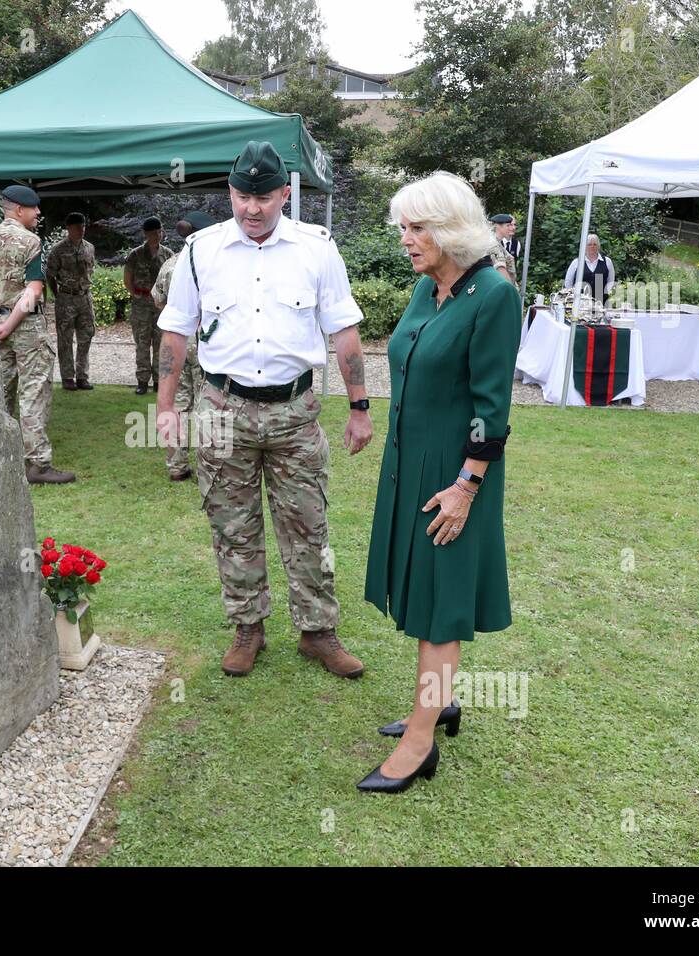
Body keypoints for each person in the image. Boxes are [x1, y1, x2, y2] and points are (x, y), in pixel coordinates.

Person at [156, 140, 374, 680]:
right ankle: (248, 627)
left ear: (284, 194)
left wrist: (360, 408)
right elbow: (175, 330)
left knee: (308, 524)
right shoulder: (201, 251)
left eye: (263, 198)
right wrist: (166, 408)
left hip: (294, 413)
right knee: (233, 525)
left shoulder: (317, 249)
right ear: (230, 192)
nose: (252, 209)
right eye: (240, 196)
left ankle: (318, 632)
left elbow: (343, 331)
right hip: (222, 407)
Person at [359, 171, 520, 794]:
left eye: (417, 226)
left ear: (453, 229)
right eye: (402, 226)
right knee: (424, 597)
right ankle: (439, 702)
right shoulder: (430, 289)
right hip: (409, 467)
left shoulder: (492, 295)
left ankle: (421, 742)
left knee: (440, 612)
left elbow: (491, 406)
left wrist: (465, 487)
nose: (406, 238)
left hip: (454, 477)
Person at [0, 184, 75, 484]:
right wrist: (12, 322)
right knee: (33, 391)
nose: (39, 213)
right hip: (26, 325)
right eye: (35, 208)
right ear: (19, 210)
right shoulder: (31, 242)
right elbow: (33, 290)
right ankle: (38, 465)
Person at [151, 210, 216, 481]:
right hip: (206, 340)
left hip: (177, 340)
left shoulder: (170, 264)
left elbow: (157, 300)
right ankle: (209, 465)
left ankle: (177, 465)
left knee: (177, 404)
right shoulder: (213, 262)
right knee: (208, 403)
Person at [123, 217, 174, 394]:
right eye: (153, 233)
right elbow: (127, 278)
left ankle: (159, 382)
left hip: (160, 306)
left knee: (161, 343)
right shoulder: (136, 254)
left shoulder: (168, 254)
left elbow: (173, 279)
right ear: (146, 234)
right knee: (142, 343)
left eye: (159, 232)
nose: (157, 236)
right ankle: (142, 381)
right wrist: (136, 294)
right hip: (141, 304)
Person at [46, 212, 97, 391]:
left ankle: (82, 376)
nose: (81, 230)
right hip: (66, 298)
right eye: (77, 227)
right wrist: (58, 294)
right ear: (68, 228)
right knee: (65, 339)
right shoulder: (58, 249)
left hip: (85, 298)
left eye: (83, 226)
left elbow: (91, 271)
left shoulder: (89, 248)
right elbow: (50, 274)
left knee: (86, 336)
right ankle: (68, 377)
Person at [564, 234, 615, 303]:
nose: (592, 247)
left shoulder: (607, 261)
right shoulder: (577, 262)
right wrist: (572, 296)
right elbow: (568, 282)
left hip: (600, 302)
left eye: (595, 244)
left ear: (598, 246)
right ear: (585, 246)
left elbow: (611, 281)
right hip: (579, 303)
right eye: (589, 244)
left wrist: (605, 293)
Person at [488, 213, 518, 288]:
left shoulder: (498, 243)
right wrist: (511, 291)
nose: (512, 228)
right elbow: (501, 270)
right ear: (498, 226)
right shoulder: (493, 244)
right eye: (508, 225)